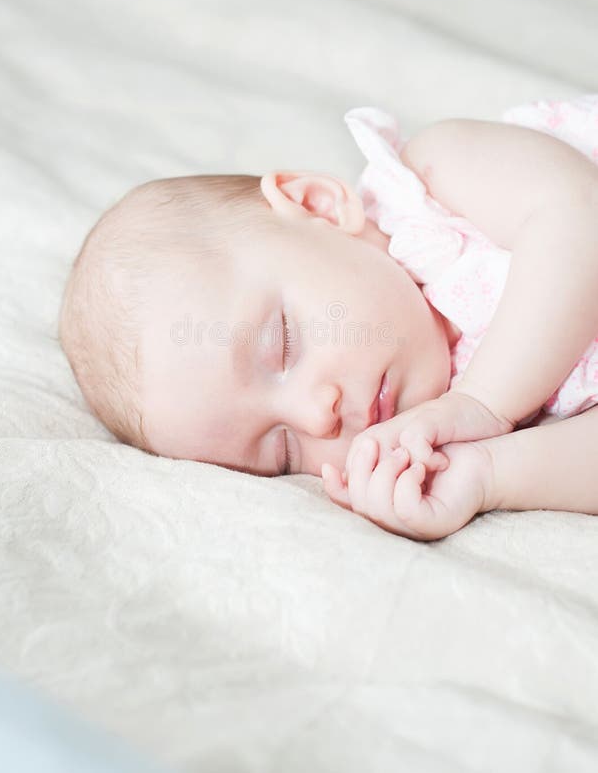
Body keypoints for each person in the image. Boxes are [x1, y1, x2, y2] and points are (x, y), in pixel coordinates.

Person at [58, 95, 598, 542]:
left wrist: (484, 402)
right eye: (284, 451)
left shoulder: (437, 180)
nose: (319, 418)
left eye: (284, 345)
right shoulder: (446, 430)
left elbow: (577, 216)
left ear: (317, 207)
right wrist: (490, 474)